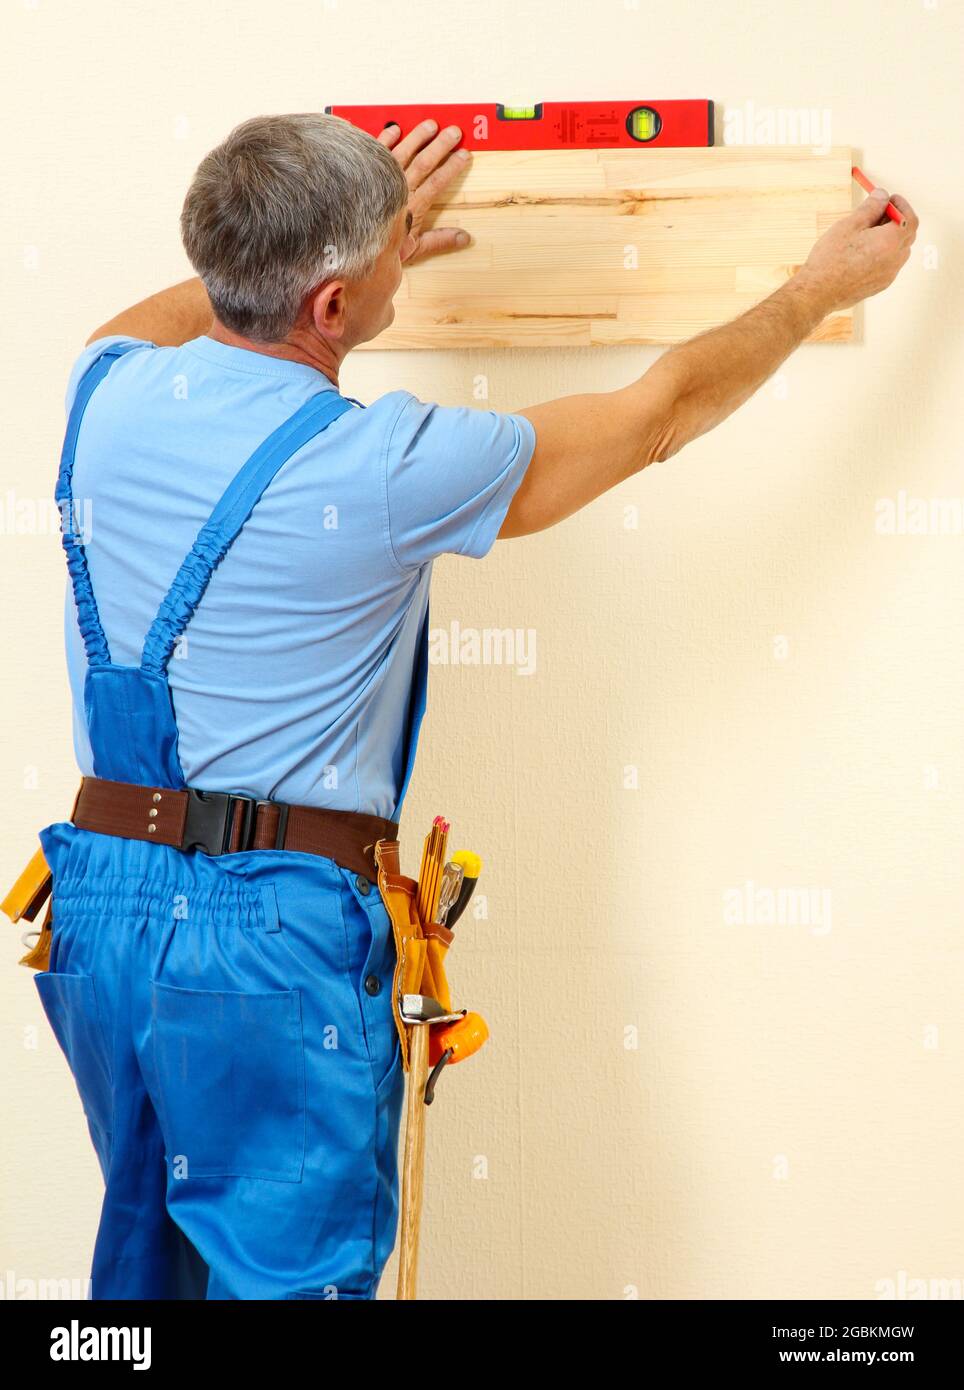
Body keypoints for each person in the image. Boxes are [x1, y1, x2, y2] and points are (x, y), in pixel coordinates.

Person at [33, 113, 916, 1300]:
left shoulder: (106, 387)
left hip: (100, 909)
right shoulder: (387, 466)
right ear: (334, 307)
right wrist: (815, 290)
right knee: (293, 1283)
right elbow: (654, 412)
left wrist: (325, 232)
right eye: (396, 242)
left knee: (148, 1279)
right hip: (265, 940)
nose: (410, 246)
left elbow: (197, 305)